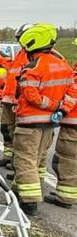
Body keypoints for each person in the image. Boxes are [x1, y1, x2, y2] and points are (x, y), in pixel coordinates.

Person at [12, 24, 73, 215]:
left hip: (29, 123)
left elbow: (30, 94)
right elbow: (71, 93)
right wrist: (62, 109)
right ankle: (18, 189)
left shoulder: (33, 67)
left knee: (25, 160)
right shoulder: (64, 65)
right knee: (37, 158)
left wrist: (52, 105)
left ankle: (29, 202)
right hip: (49, 123)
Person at [0, 24, 32, 169]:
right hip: (8, 99)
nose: (21, 41)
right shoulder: (21, 54)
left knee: (19, 134)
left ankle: (16, 161)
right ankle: (8, 157)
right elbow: (11, 75)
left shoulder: (33, 56)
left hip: (19, 102)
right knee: (7, 130)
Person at [45, 60, 77, 209]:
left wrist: (62, 109)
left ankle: (64, 197)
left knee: (66, 160)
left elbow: (72, 94)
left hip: (73, 124)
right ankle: (66, 193)